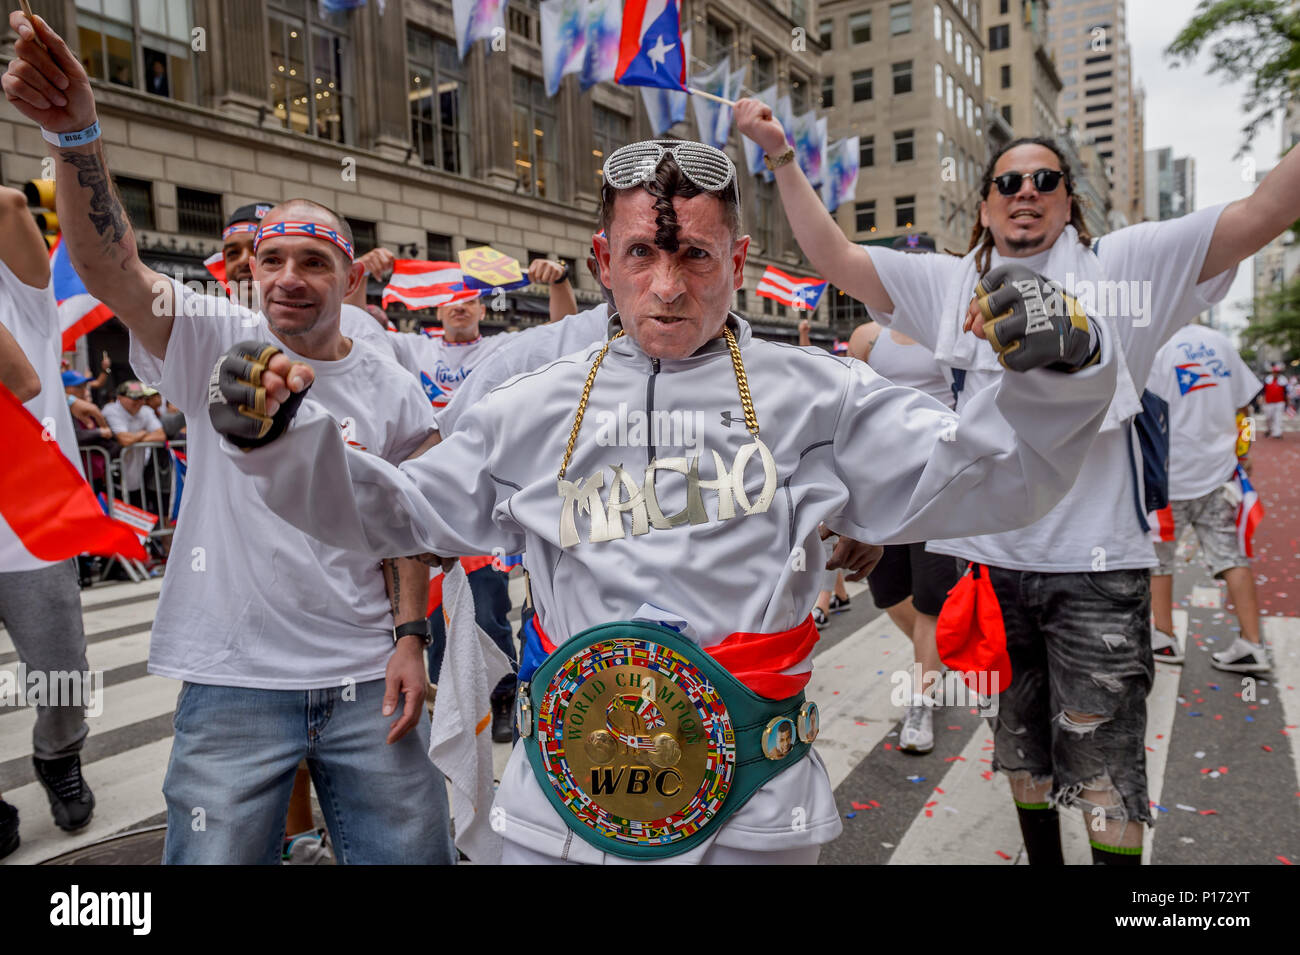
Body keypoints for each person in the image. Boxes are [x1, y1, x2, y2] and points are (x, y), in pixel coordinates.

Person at [210, 138, 1120, 865]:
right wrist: (280, 440)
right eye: (643, 253)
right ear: (604, 259)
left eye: (694, 253)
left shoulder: (818, 395)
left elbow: (991, 474)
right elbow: (399, 515)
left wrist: (1066, 365)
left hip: (752, 808)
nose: (669, 284)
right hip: (560, 805)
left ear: (740, 260)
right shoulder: (529, 406)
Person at [735, 97, 1300, 864]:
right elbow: (834, 256)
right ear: (986, 205)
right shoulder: (949, 281)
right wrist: (780, 159)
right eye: (1008, 182)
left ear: (1069, 200)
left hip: (1099, 566)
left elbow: (1266, 208)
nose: (1025, 191)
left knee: (1105, 767)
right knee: (1020, 747)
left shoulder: (1129, 264)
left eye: (1044, 179)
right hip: (995, 565)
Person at [3, 12, 456, 864]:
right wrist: (78, 138)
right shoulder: (210, 333)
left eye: (313, 262)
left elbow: (411, 529)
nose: (288, 278)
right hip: (233, 679)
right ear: (251, 268)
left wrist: (409, 638)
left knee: (414, 855)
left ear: (350, 277)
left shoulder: (392, 383)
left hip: (367, 677)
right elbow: (112, 267)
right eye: (272, 260)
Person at [0, 182, 96, 858]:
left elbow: (9, 203)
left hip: (30, 525)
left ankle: (58, 756)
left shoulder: (25, 302)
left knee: (61, 669)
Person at [844, 233, 961, 756]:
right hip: (884, 485)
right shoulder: (870, 336)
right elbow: (848, 413)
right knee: (889, 594)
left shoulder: (952, 328)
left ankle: (922, 700)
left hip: (942, 483)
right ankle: (938, 657)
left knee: (934, 599)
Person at [1147, 323, 1267, 672]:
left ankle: (1165, 639)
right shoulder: (1219, 342)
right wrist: (1244, 451)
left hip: (1169, 478)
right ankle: (1252, 643)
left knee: (1159, 561)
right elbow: (1245, 410)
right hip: (1218, 473)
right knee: (1232, 557)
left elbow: (1143, 414)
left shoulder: (1157, 345)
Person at [1262, 363, 1288, 438]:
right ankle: (1269, 429)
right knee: (1268, 417)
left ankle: (1277, 433)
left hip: (1279, 402)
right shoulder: (1267, 379)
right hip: (1269, 402)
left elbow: (1285, 392)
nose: (1276, 374)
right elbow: (1263, 391)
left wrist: (1287, 402)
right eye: (1274, 372)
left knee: (1278, 418)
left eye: (1277, 372)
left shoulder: (1283, 380)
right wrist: (1261, 399)